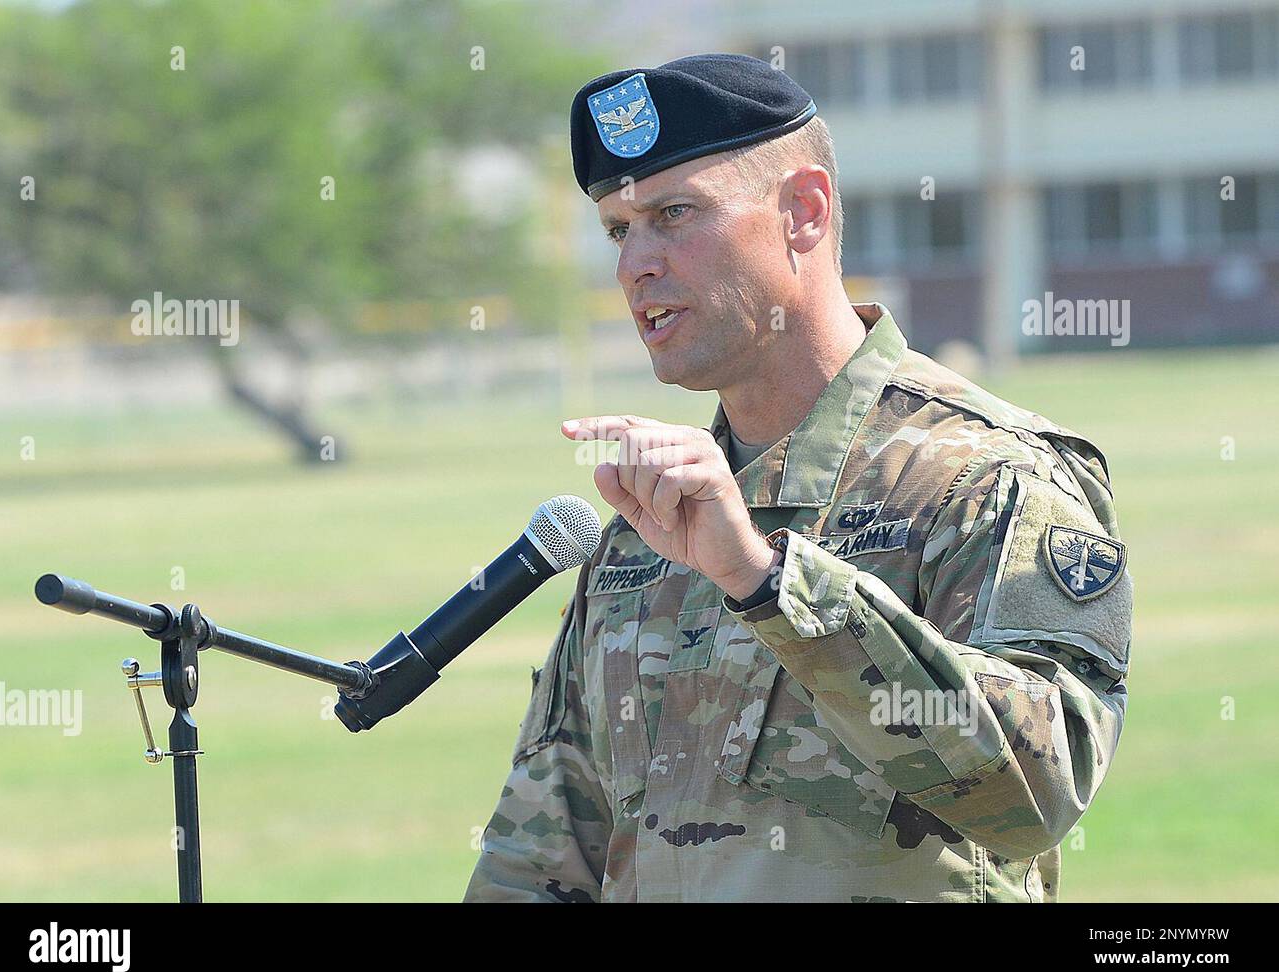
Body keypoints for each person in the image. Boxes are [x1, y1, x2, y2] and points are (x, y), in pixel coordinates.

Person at [464, 53, 1131, 902]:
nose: (635, 264)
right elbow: (541, 850)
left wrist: (767, 580)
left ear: (803, 212)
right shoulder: (644, 521)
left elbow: (1037, 795)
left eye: (674, 213)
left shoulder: (987, 475)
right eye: (617, 228)